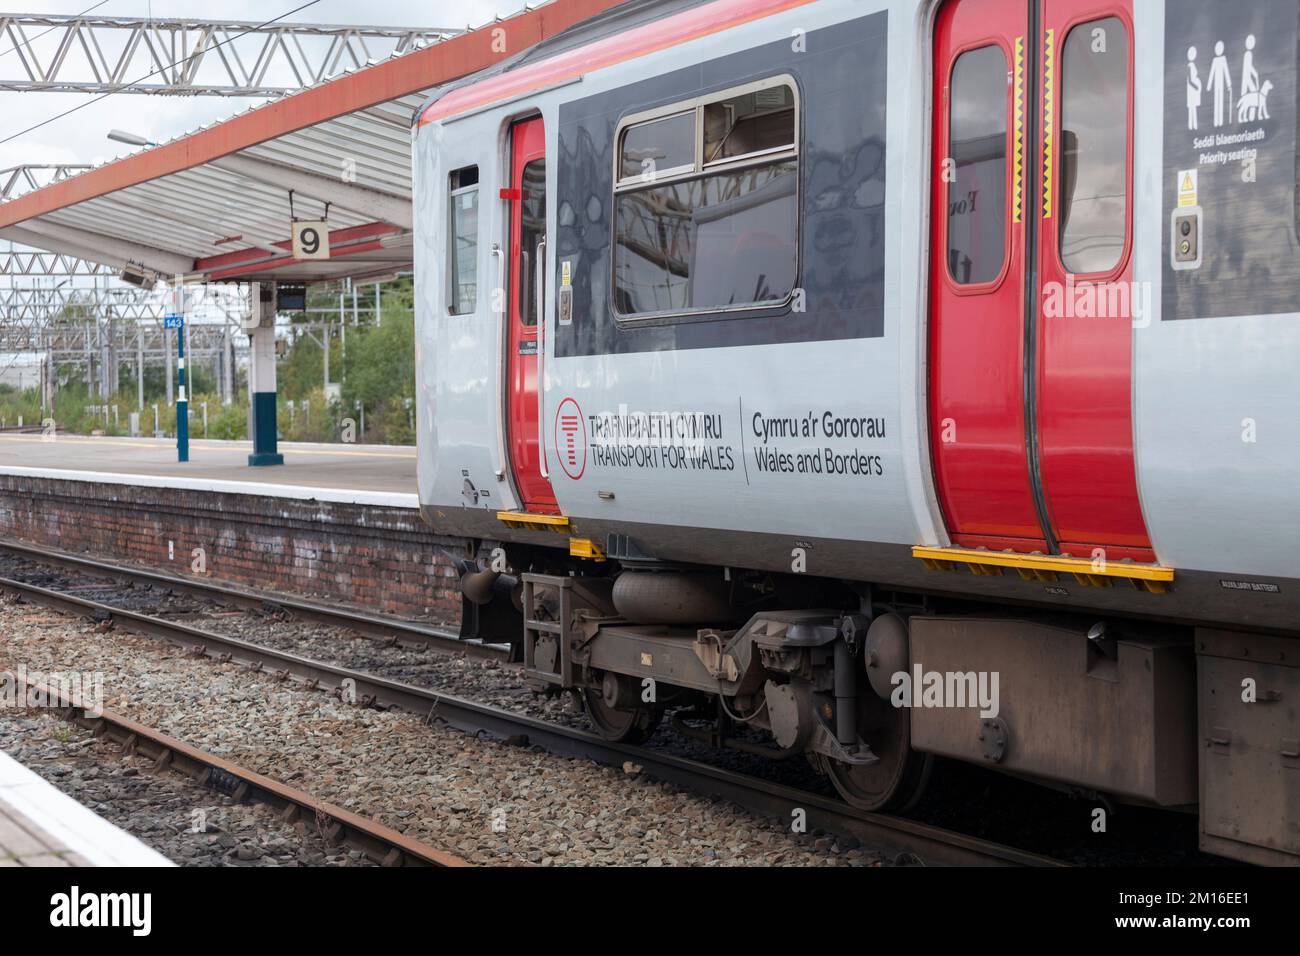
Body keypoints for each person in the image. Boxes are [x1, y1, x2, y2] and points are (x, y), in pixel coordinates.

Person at [1186, 46, 1202, 130]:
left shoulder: (1193, 65)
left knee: (1194, 108)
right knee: (1191, 109)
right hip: (1191, 90)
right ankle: (1191, 126)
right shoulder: (1189, 66)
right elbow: (1190, 81)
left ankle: (1194, 126)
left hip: (1193, 91)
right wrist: (1196, 87)